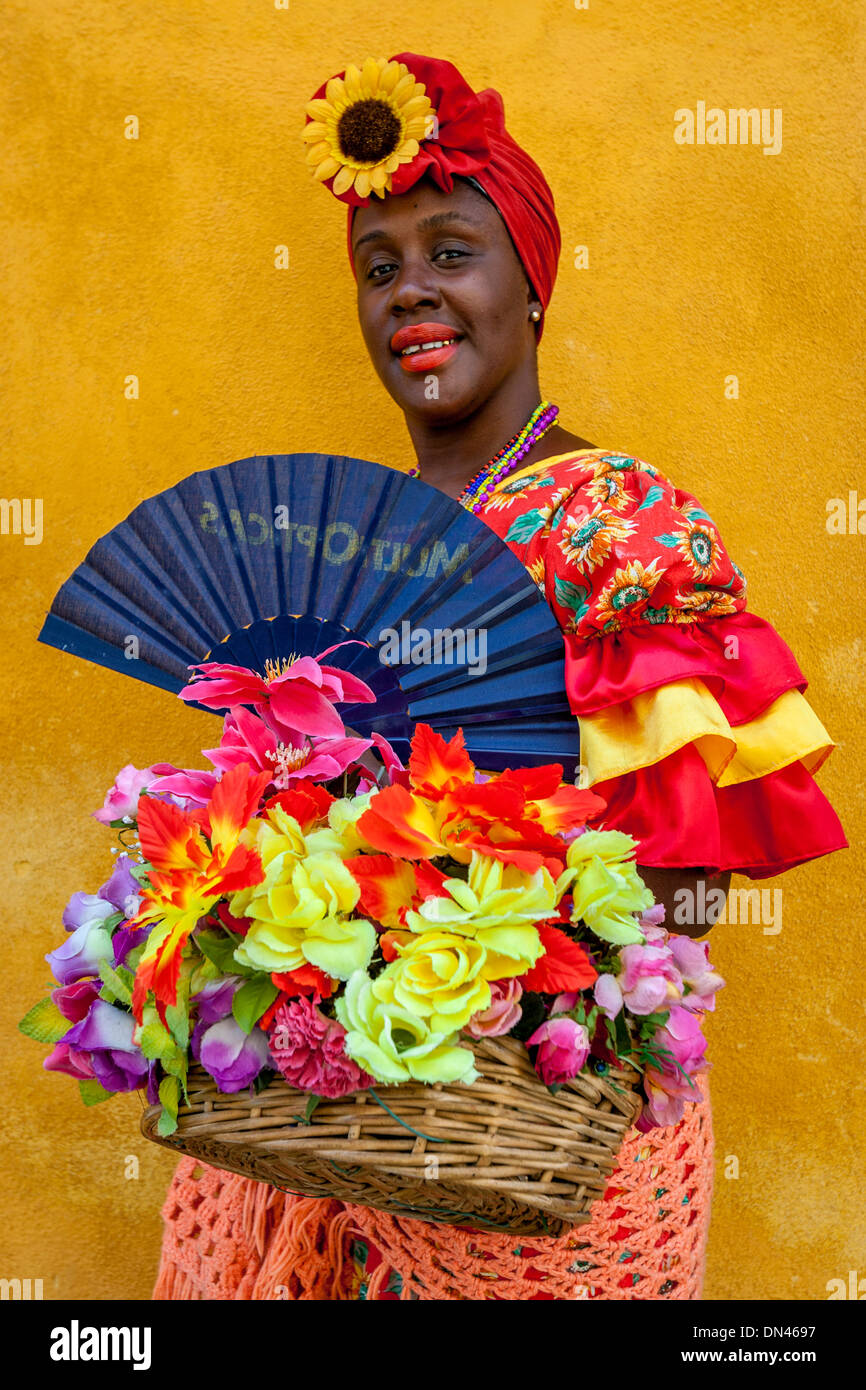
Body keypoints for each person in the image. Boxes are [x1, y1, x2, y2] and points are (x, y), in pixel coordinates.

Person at [152, 52, 847, 1301]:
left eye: (450, 251)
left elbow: (679, 897)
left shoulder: (614, 527)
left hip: (541, 1151)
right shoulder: (340, 558)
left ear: (530, 285)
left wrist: (508, 1003)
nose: (410, 290)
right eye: (378, 269)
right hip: (331, 1146)